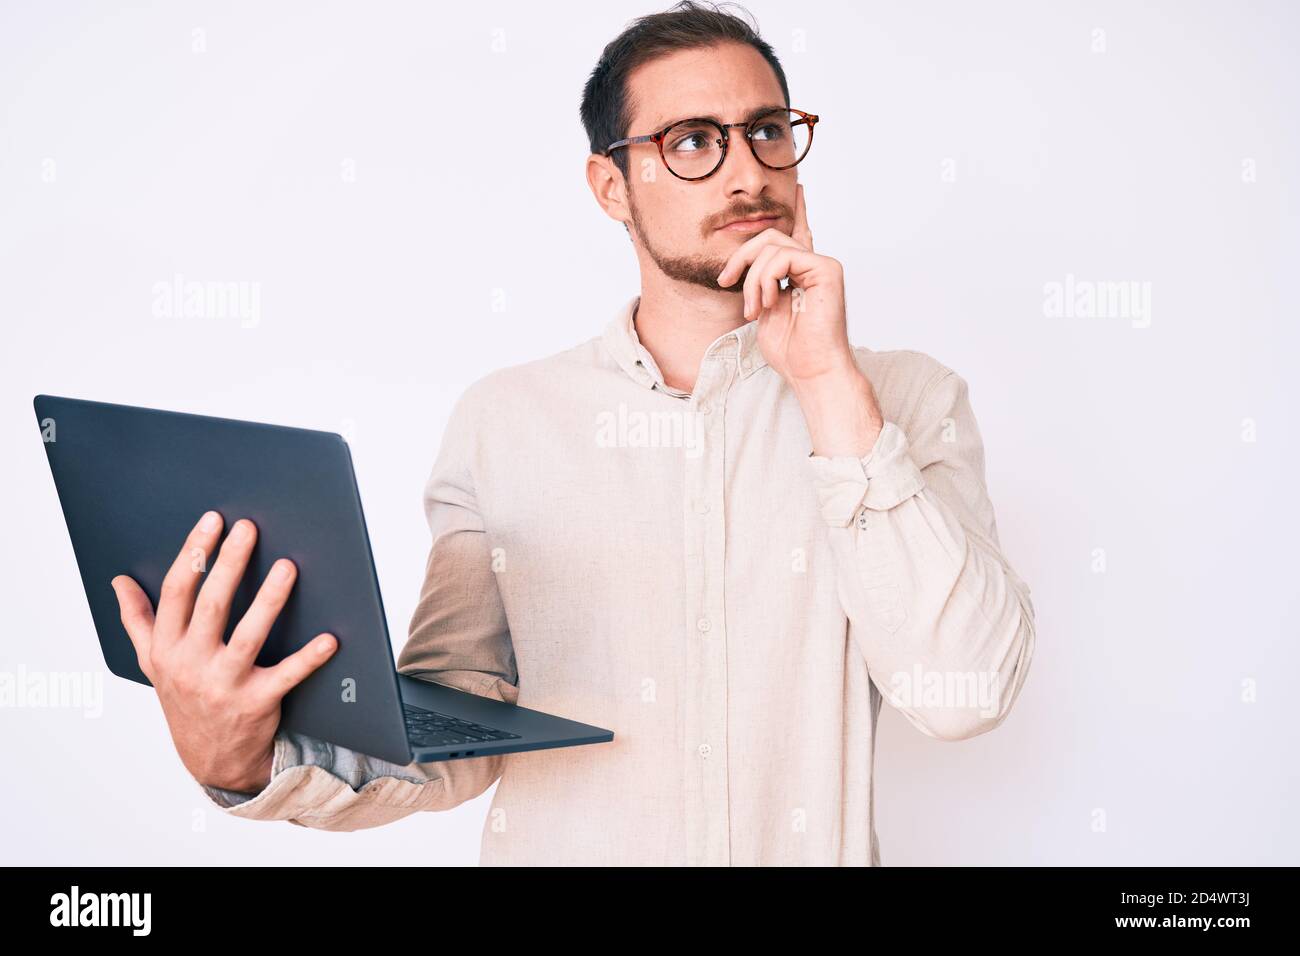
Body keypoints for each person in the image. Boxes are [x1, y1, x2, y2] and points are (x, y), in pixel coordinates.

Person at [110, 1, 1035, 865]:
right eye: (692, 143)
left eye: (765, 131)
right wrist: (241, 758)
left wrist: (829, 383)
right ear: (611, 185)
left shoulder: (904, 398)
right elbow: (452, 729)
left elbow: (967, 690)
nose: (749, 170)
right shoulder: (503, 421)